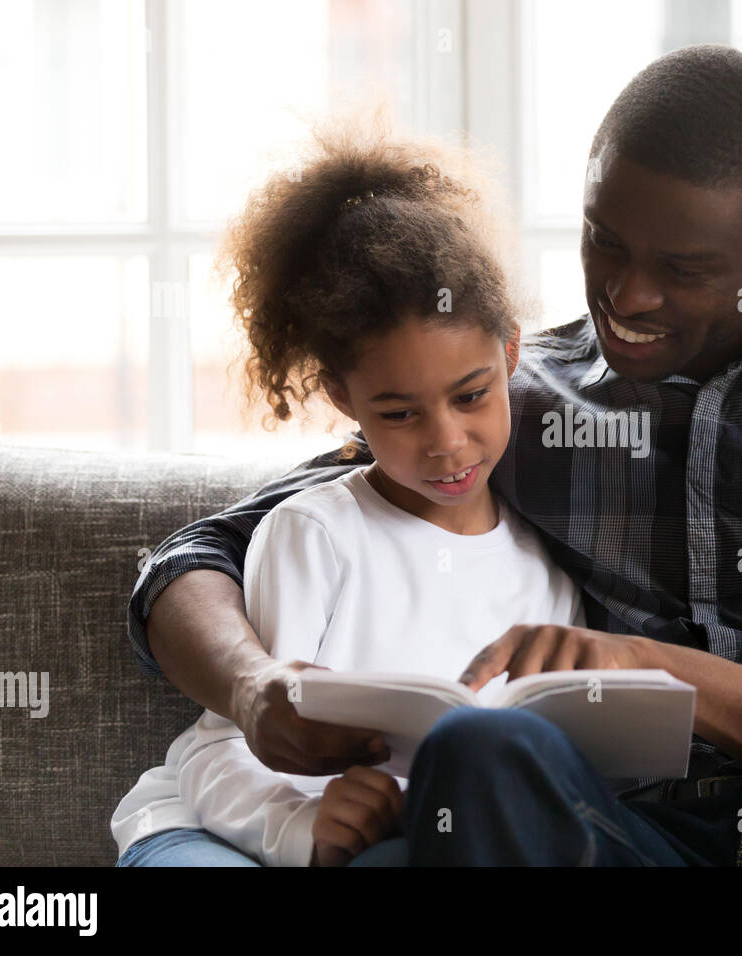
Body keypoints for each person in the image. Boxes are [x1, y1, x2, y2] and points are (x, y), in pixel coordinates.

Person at [124, 45, 742, 865]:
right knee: (476, 752)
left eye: (682, 269)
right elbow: (194, 560)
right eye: (604, 240)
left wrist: (643, 666)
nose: (626, 298)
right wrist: (254, 691)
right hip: (609, 832)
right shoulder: (515, 396)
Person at [112, 118, 585, 866]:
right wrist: (302, 829)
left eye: (470, 396)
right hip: (218, 828)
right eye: (398, 414)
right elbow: (218, 755)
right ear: (344, 400)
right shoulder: (314, 534)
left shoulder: (547, 578)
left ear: (512, 352)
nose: (445, 442)